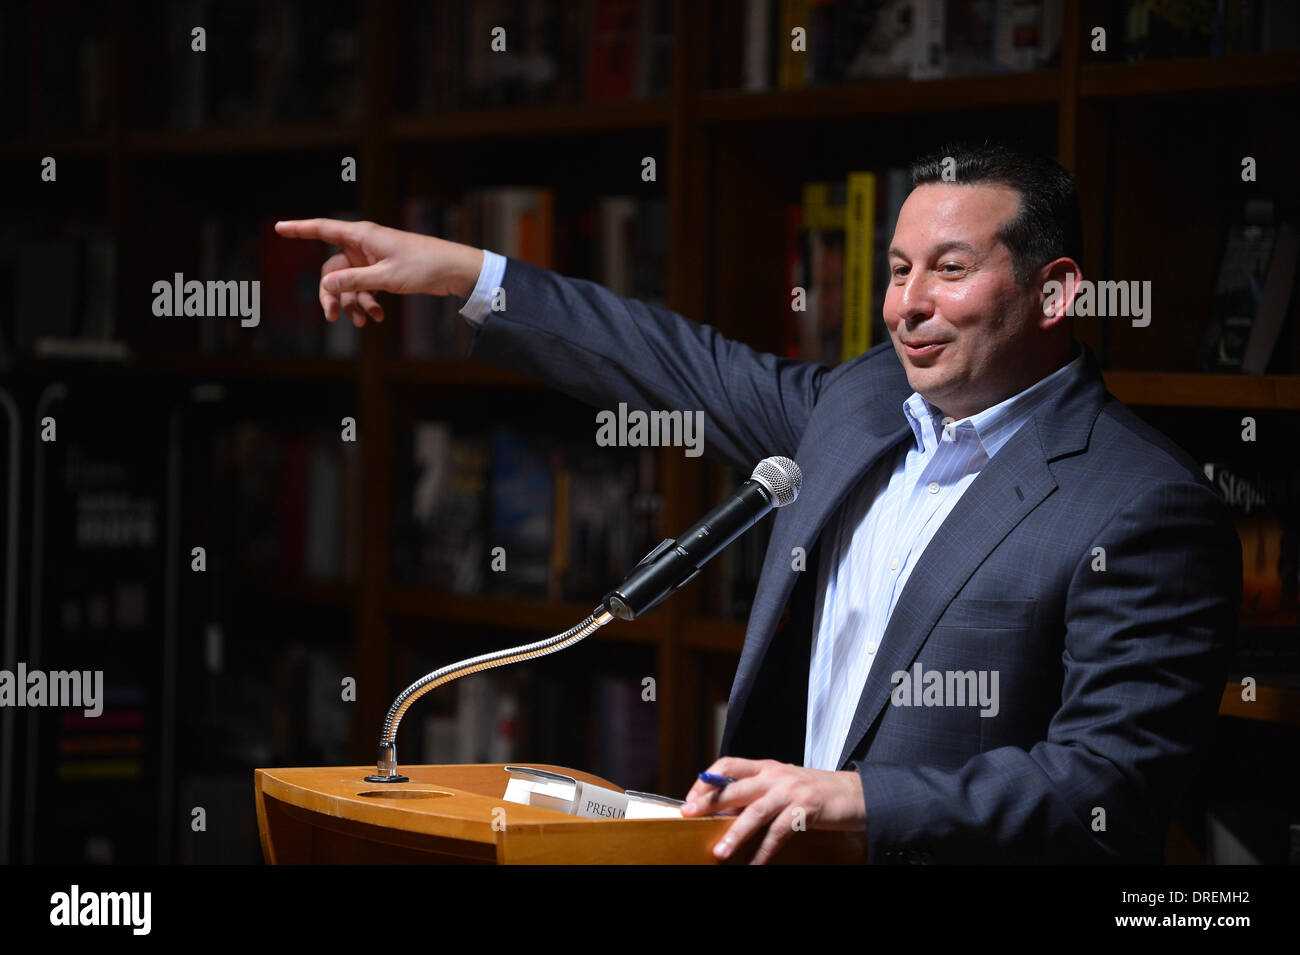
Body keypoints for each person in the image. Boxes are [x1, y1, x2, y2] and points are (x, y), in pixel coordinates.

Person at [276, 142, 1241, 865]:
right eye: (899, 269)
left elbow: (1111, 781)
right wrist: (464, 274)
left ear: (1056, 291)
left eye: (950, 269)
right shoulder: (861, 404)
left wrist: (860, 800)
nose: (907, 304)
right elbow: (674, 364)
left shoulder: (1141, 504)